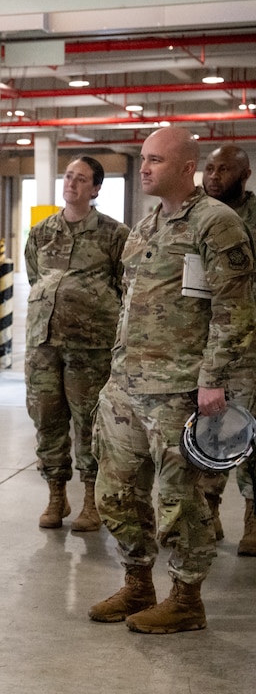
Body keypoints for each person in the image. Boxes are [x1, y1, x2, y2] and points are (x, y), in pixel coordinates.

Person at [89, 127, 256, 635]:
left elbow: (235, 307)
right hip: (127, 384)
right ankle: (138, 582)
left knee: (179, 499)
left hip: (181, 387)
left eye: (156, 160)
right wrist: (114, 372)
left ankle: (186, 597)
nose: (144, 168)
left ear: (188, 168)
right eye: (143, 158)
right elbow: (130, 305)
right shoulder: (145, 227)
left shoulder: (217, 224)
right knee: (115, 493)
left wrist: (214, 379)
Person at [24, 156, 128, 531]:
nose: (72, 184)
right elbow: (36, 274)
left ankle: (91, 501)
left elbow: (125, 285)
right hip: (43, 343)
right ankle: (56, 497)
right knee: (47, 418)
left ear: (96, 188)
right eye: (68, 177)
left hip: (91, 346)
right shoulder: (41, 232)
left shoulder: (115, 234)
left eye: (81, 179)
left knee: (89, 423)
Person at [200, 144, 256, 552]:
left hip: (253, 341)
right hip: (210, 341)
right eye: (209, 168)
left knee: (251, 430)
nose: (215, 176)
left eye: (224, 169)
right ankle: (209, 510)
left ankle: (253, 518)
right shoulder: (196, 216)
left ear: (245, 175)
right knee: (211, 428)